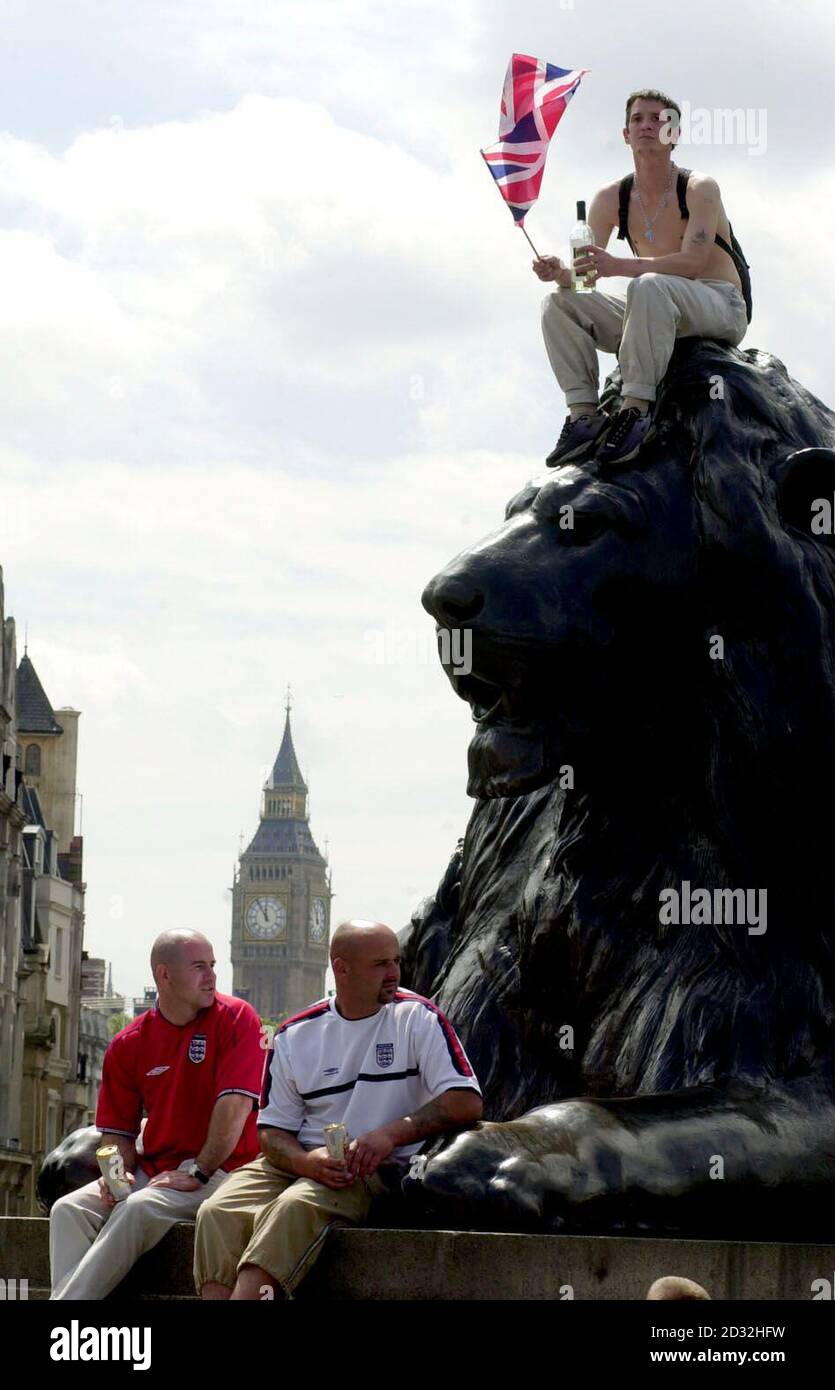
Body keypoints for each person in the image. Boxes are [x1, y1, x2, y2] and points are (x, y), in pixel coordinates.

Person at [194, 919, 483, 1300]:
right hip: (304, 1159)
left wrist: (390, 1134)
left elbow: (466, 1100)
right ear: (341, 968)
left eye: (396, 961)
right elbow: (271, 1132)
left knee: (293, 1208)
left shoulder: (417, 1017)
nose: (394, 972)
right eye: (380, 964)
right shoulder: (295, 1034)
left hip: (374, 1166)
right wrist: (304, 1162)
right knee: (216, 1212)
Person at [534, 88, 749, 470]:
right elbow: (586, 279)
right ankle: (584, 415)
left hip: (718, 303)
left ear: (674, 135)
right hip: (656, 305)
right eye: (638, 119)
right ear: (625, 134)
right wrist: (561, 274)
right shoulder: (610, 198)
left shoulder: (699, 187)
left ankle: (634, 411)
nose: (647, 126)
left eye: (658, 120)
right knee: (558, 302)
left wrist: (617, 266)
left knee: (647, 284)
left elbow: (692, 264)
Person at [49, 929, 264, 1299]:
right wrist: (114, 1179)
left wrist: (199, 1169)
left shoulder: (237, 1017)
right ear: (164, 975)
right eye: (199, 967)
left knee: (137, 1208)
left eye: (212, 965)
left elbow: (234, 1109)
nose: (212, 976)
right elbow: (117, 1132)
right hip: (157, 1170)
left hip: (225, 1169)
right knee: (68, 1210)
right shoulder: (128, 1043)